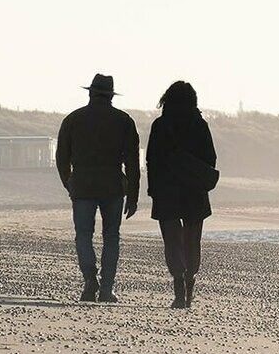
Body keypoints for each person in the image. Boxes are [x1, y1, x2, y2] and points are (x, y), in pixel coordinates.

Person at [57, 74, 140, 302]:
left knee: (83, 235)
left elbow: (61, 158)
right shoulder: (124, 121)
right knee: (111, 236)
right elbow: (133, 162)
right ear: (111, 96)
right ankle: (106, 288)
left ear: (90, 93)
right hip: (113, 186)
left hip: (82, 185)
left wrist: (70, 183)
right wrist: (133, 195)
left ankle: (89, 279)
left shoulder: (73, 119)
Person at [146, 80, 218, 309]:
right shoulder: (199, 124)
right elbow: (210, 157)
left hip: (167, 189)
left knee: (172, 239)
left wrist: (153, 188)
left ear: (167, 99)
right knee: (192, 238)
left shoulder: (160, 125)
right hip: (193, 190)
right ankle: (190, 283)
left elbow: (152, 160)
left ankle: (178, 283)